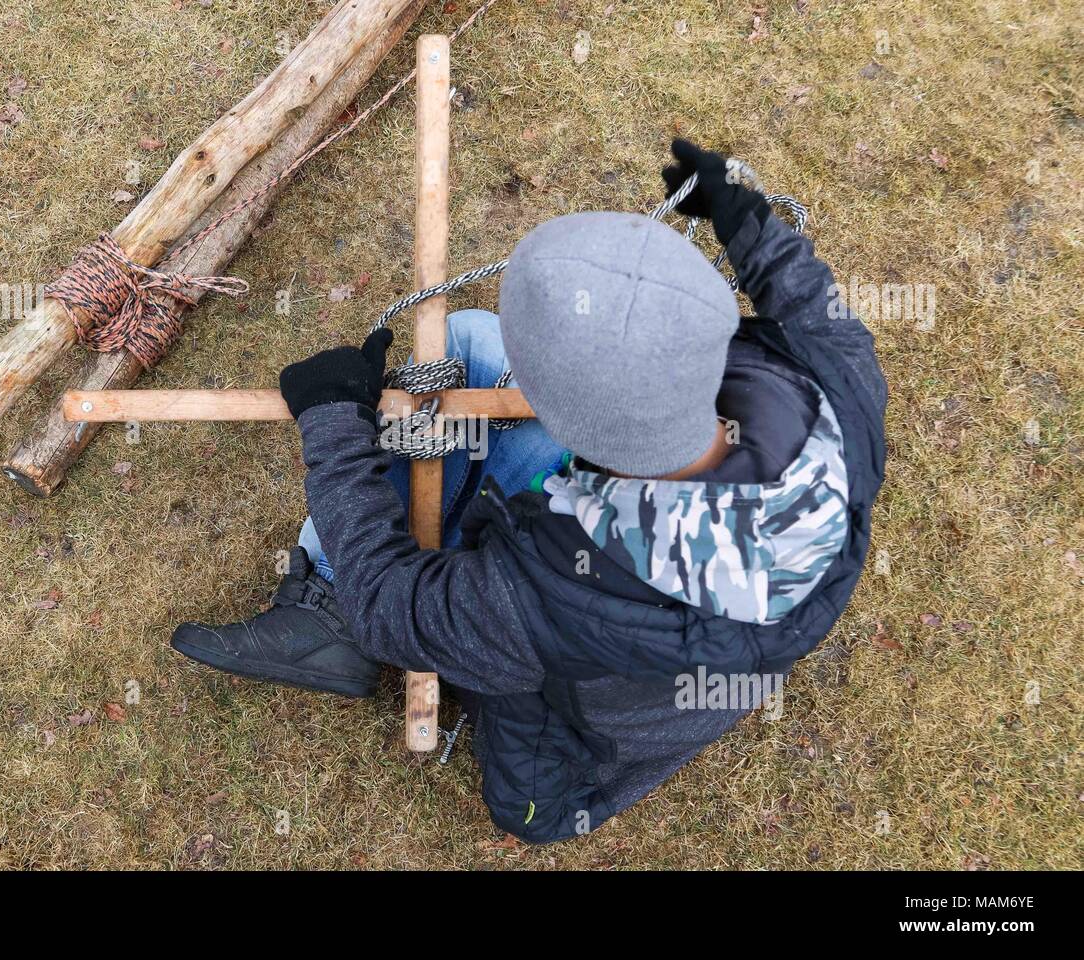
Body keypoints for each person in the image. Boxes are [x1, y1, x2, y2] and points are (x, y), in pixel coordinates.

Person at [170, 140, 887, 843]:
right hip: (665, 592)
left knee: (417, 569)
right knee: (477, 343)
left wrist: (332, 419)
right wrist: (741, 216)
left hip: (563, 753)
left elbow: (393, 603)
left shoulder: (558, 590)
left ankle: (327, 620)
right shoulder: (831, 387)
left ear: (573, 423)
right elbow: (809, 301)